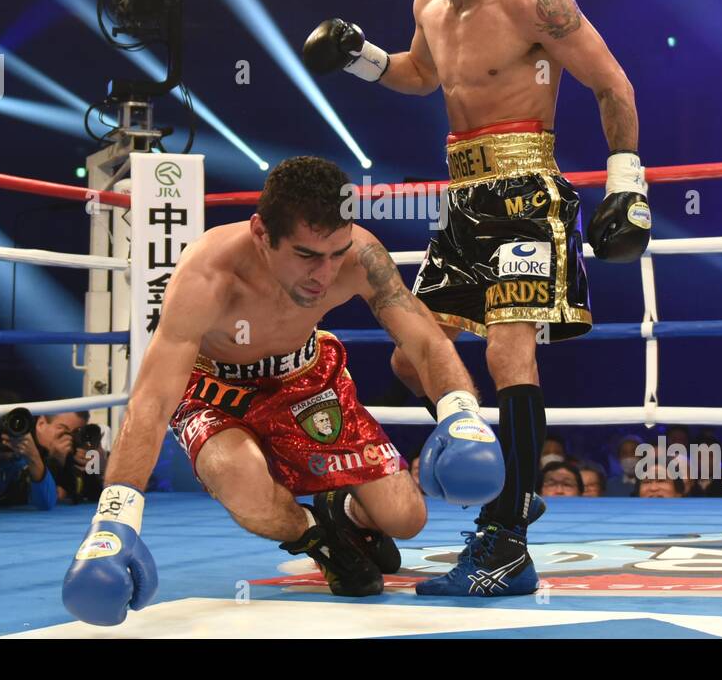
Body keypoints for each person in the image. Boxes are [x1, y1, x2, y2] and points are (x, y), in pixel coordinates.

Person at [301, 0, 649, 596]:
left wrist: (626, 183)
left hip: (527, 190)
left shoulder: (537, 2)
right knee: (414, 359)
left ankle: (509, 531)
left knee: (505, 351)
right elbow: (421, 76)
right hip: (464, 195)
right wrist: (358, 58)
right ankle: (500, 477)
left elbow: (612, 83)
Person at [62, 157, 504, 626]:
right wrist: (114, 520)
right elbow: (152, 400)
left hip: (306, 379)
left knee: (405, 518)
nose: (324, 274)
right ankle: (317, 537)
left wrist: (460, 412)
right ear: (260, 232)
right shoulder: (208, 275)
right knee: (240, 480)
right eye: (307, 255)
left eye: (336, 253)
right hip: (214, 389)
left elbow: (423, 339)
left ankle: (345, 514)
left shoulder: (361, 257)